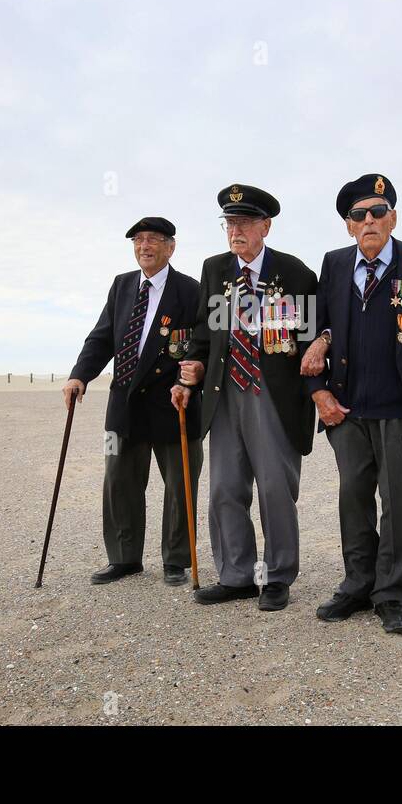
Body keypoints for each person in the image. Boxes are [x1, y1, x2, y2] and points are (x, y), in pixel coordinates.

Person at [301, 174, 402, 634]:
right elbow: (310, 331)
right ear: (349, 226)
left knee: (399, 503)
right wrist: (318, 394)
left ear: (393, 218)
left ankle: (390, 594)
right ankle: (357, 584)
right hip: (346, 412)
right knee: (353, 499)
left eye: (378, 211)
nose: (368, 220)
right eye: (358, 215)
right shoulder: (333, 265)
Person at [171, 184, 317, 612]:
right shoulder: (214, 269)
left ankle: (277, 576)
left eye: (245, 223)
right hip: (225, 391)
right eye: (230, 223)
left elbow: (307, 335)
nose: (235, 230)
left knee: (275, 487)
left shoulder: (294, 273)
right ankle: (236, 574)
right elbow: (204, 331)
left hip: (272, 392)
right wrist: (195, 367)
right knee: (225, 488)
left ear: (265, 226)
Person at [64, 217, 203, 586]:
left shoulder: (190, 290)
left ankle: (175, 560)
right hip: (123, 403)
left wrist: (188, 379)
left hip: (172, 401)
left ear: (170, 247)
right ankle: (124, 558)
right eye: (139, 240)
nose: (145, 246)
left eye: (154, 239)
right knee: (118, 480)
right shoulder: (122, 286)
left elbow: (199, 343)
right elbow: (102, 337)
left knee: (179, 484)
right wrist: (80, 374)